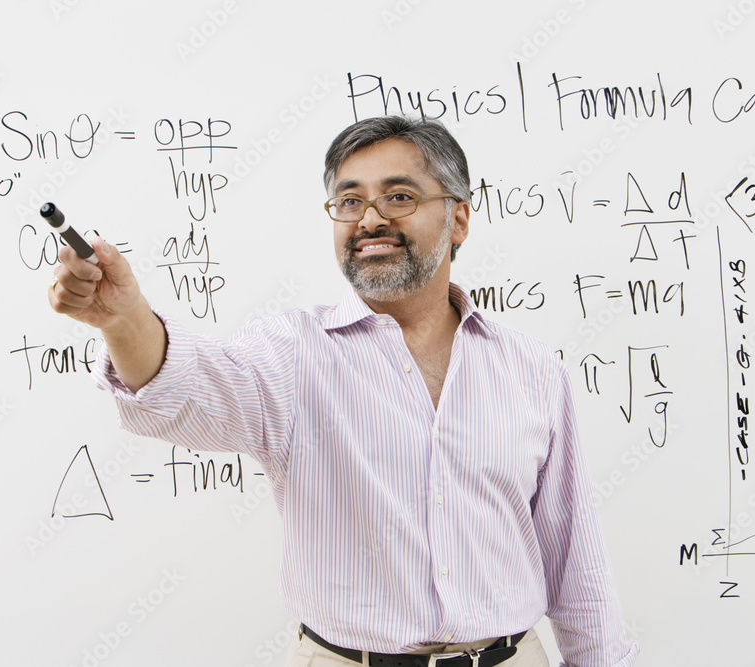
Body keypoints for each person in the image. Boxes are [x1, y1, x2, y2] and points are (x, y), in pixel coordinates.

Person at [48, 116, 639, 667]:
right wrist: (124, 320)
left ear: (458, 218)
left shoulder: (530, 368)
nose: (370, 219)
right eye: (350, 201)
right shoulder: (293, 351)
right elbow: (190, 391)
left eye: (399, 197)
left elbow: (575, 560)